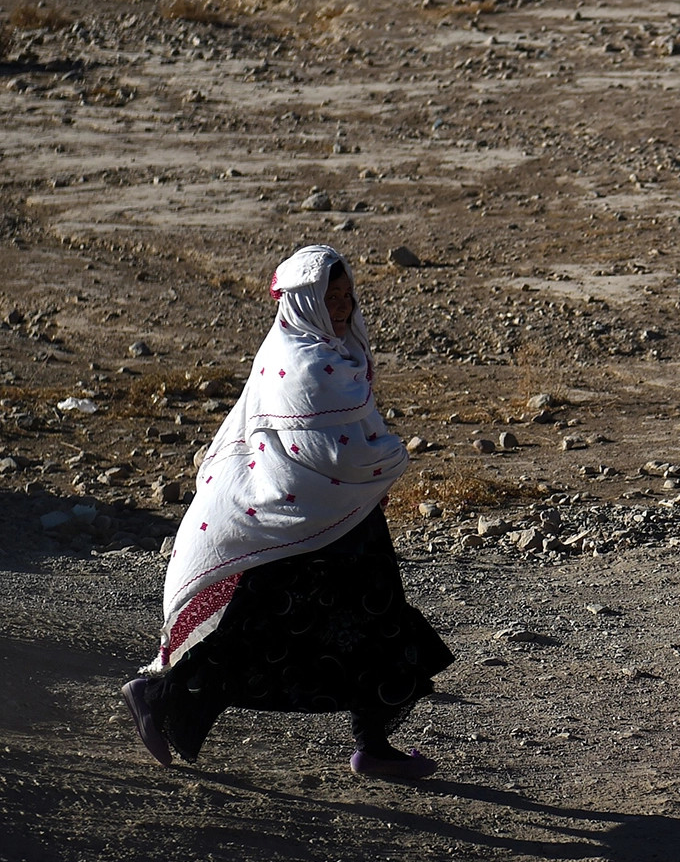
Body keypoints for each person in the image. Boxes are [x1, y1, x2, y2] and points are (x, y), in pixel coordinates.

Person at [120, 244, 452, 779]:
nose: (341, 306)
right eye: (330, 296)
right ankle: (160, 696)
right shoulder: (301, 363)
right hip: (297, 523)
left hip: (345, 514)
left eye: (347, 296)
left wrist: (370, 472)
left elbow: (351, 433)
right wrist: (389, 459)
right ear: (305, 299)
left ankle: (373, 744)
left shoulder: (342, 352)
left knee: (378, 619)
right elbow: (329, 452)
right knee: (265, 623)